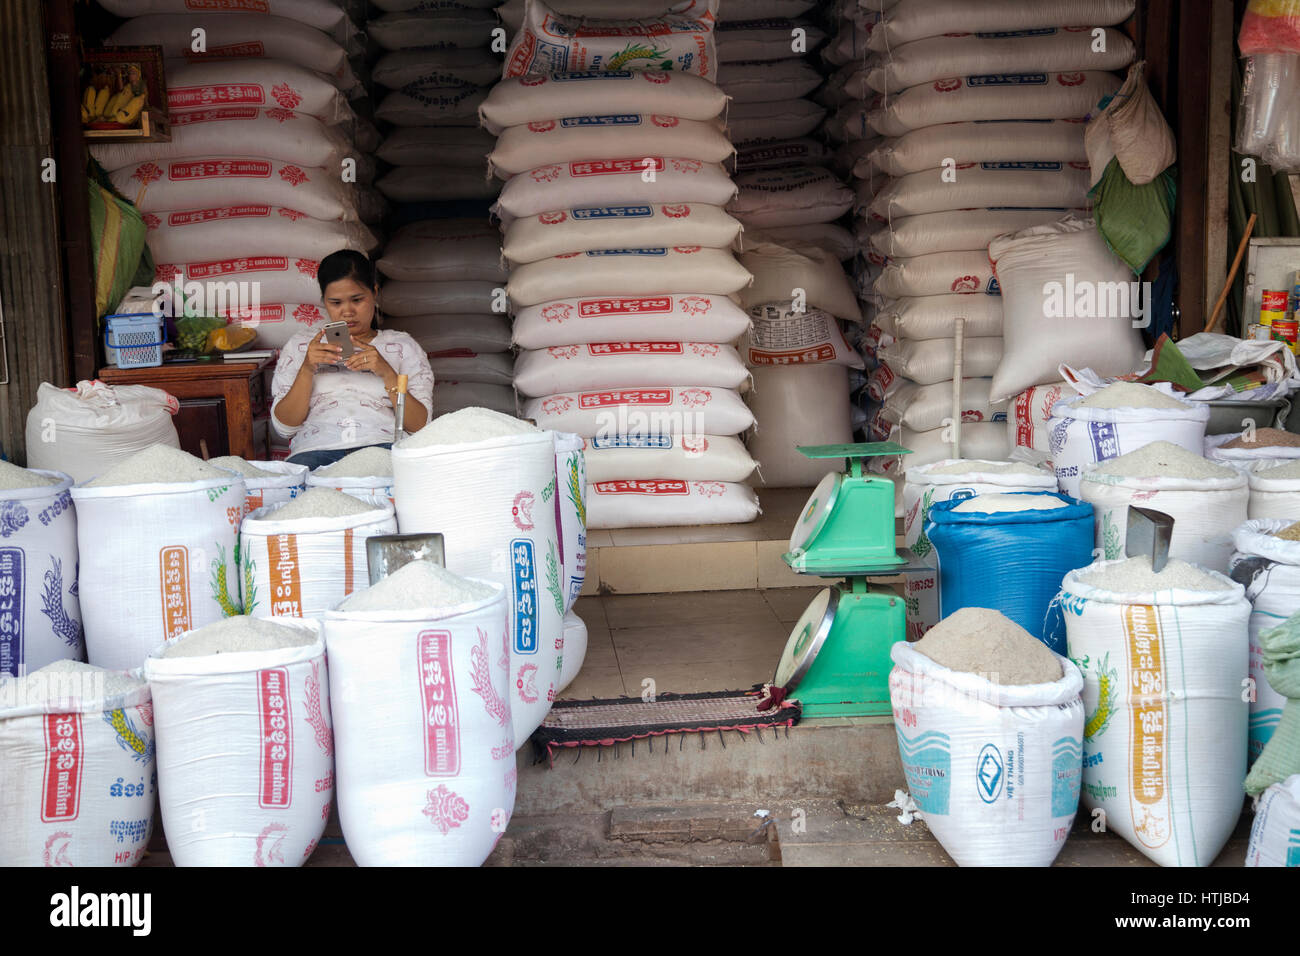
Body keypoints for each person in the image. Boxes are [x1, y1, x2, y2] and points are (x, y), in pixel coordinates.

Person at [271, 250, 433, 468]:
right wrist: (307, 369)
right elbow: (285, 428)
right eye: (335, 303)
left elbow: (420, 427)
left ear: (375, 292)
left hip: (381, 447)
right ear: (324, 302)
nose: (347, 311)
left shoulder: (402, 346)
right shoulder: (301, 347)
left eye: (357, 300)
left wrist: (387, 373)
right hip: (315, 450)